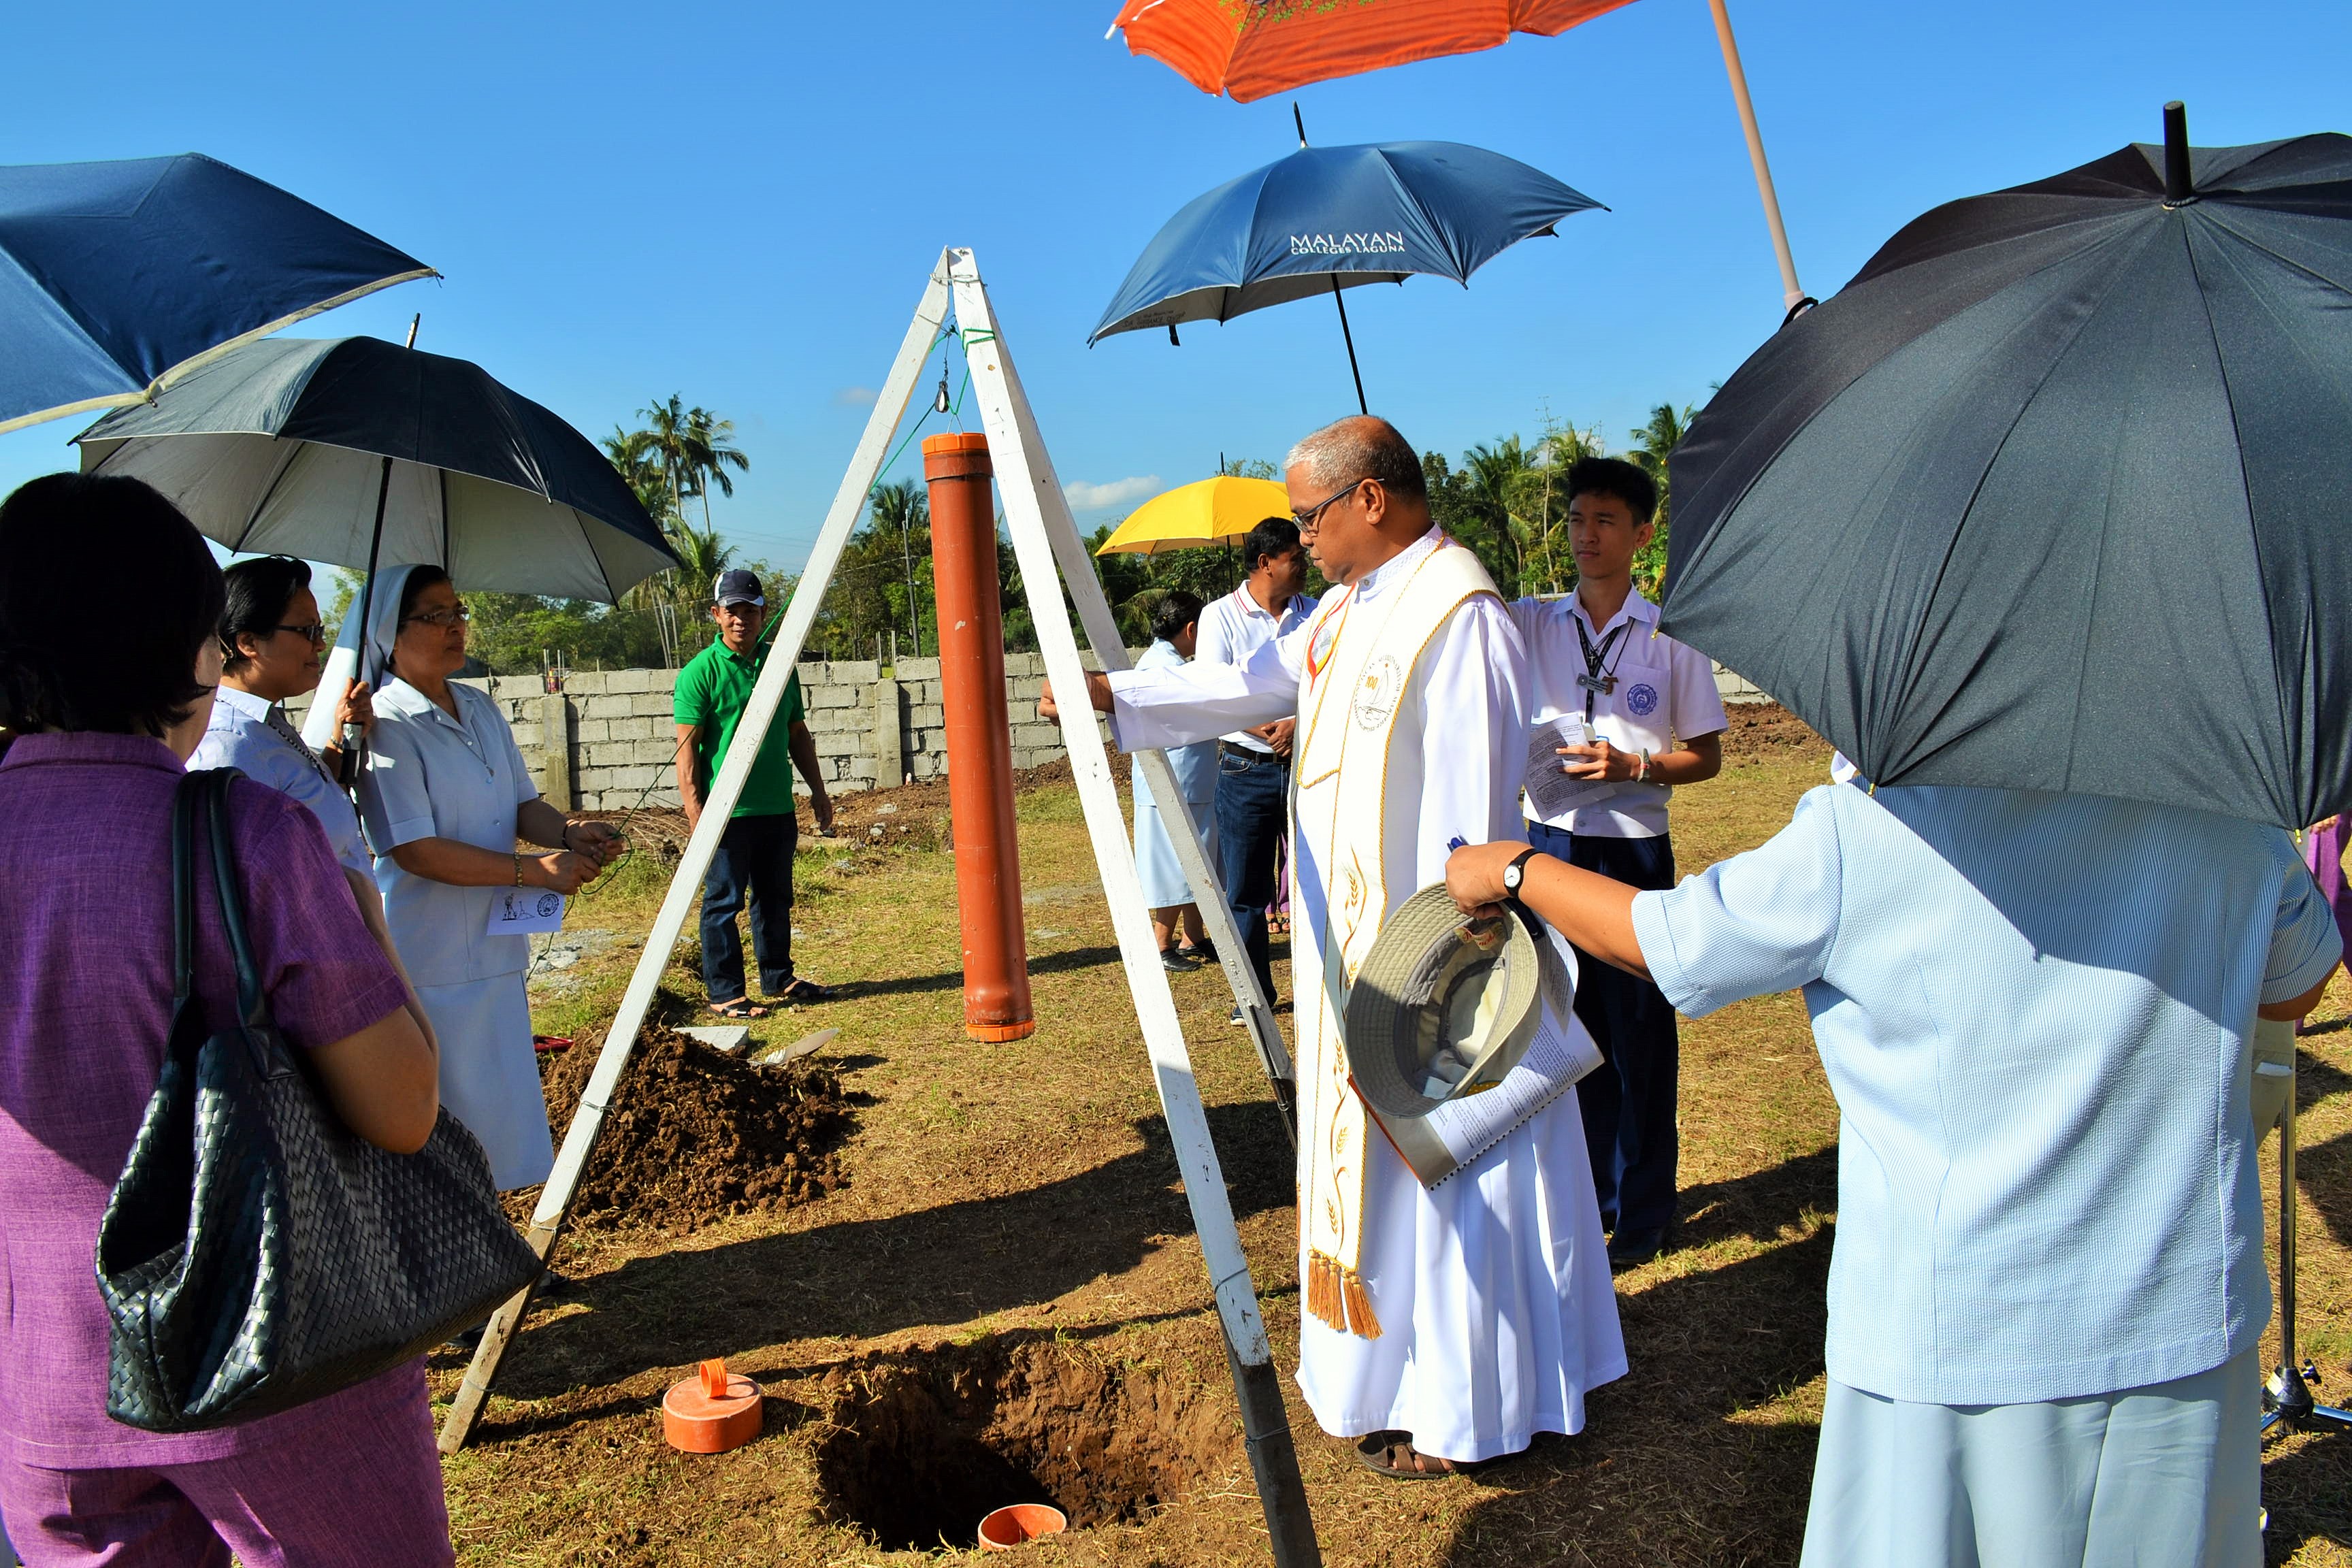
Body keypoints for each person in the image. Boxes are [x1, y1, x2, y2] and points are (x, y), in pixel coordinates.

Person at [1447, 780, 2342, 1566]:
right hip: (2175, 1321)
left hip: (1962, 1333)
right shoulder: (2229, 813)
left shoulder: (1873, 829)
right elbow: (2299, 982)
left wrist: (1516, 867)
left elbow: (1667, 941)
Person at [1044, 416, 1624, 1476]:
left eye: (1311, 515)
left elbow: (1475, 801)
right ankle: (1384, 1378)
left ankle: (1471, 1406)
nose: (1298, 535)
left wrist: (1448, 955)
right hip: (1345, 950)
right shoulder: (1343, 610)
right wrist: (1110, 696)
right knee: (1379, 1174)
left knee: (1452, 1166)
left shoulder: (1462, 613)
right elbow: (1254, 688)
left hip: (1426, 958)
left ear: (1370, 500)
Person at [0, 473, 452, 1566]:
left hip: (44, 1396)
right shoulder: (245, 836)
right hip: (277, 1368)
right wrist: (365, 925)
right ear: (197, 651)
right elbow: (403, 1111)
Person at [1509, 456, 1726, 1269]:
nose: (1586, 535)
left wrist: (1635, 767)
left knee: (1638, 1035)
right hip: (1551, 844)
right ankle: (1589, 1196)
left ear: (1641, 535)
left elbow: (1704, 757)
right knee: (1566, 1027)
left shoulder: (1671, 637)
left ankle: (1644, 1209)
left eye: (1605, 521)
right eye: (1575, 519)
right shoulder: (1533, 621)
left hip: (1633, 851)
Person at [353, 564, 619, 1192]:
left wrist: (567, 833)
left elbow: (522, 802)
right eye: (434, 616)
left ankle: (496, 1248)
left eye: (458, 612)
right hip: (431, 955)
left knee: (501, 1109)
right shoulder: (385, 726)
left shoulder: (476, 705)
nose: (455, 627)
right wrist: (534, 870)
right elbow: (414, 849)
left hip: (494, 949)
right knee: (447, 1120)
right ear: (390, 631)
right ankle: (458, 1264)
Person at [674, 568, 836, 1019]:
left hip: (776, 807)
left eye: (750, 609)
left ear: (764, 613)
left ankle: (778, 976)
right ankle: (725, 992)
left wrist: (818, 792)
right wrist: (696, 813)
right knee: (724, 902)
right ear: (716, 615)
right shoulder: (698, 675)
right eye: (732, 610)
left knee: (774, 896)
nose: (741, 619)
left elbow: (797, 733)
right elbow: (686, 753)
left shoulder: (780, 666)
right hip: (727, 813)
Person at [192, 555, 378, 894]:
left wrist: (340, 740)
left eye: (319, 631)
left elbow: (304, 802)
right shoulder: (231, 745)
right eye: (307, 631)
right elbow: (241, 890)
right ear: (248, 643)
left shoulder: (265, 723)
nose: (320, 644)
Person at [1195, 517, 1318, 1019]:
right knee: (1246, 890)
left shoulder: (1316, 611)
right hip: (1247, 770)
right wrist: (1275, 727)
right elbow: (1215, 689)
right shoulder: (1220, 617)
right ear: (1266, 563)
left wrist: (1299, 724)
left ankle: (1320, 989)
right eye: (1296, 557)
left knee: (1318, 878)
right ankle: (1254, 996)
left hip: (1309, 764)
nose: (1306, 564)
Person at [1128, 591, 1218, 971]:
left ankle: (1193, 934)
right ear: (1192, 629)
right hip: (1175, 780)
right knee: (1174, 863)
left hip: (1188, 779)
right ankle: (1162, 943)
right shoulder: (1163, 668)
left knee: (1199, 857)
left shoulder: (1167, 661)